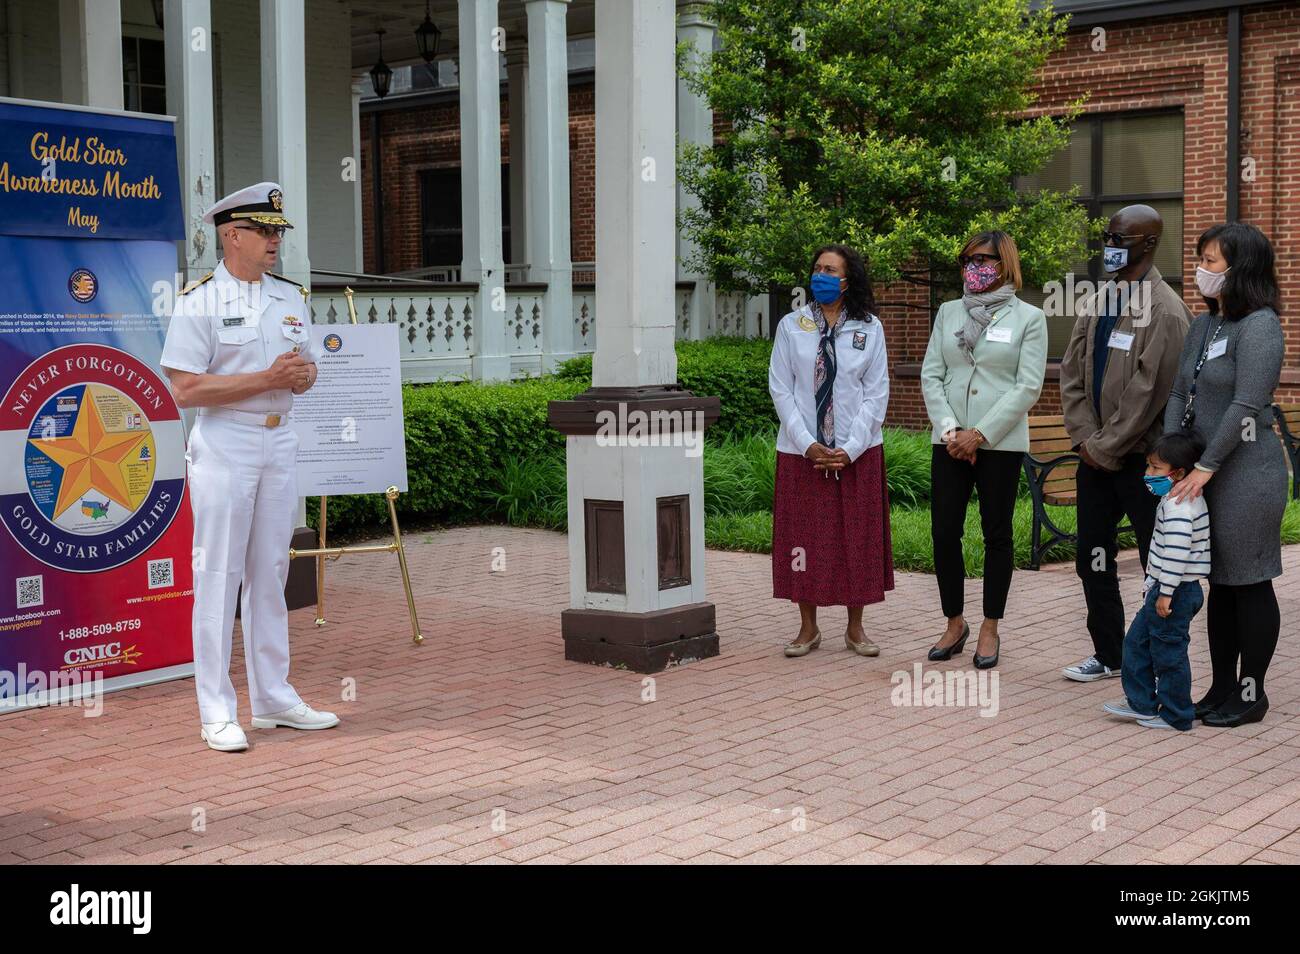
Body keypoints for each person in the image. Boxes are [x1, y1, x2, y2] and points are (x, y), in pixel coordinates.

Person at [161, 182, 340, 752]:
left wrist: (301, 377)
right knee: (218, 575)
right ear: (230, 235)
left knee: (271, 571)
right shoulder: (198, 302)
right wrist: (267, 379)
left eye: (278, 233)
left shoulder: (289, 298)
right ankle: (216, 708)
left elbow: (305, 368)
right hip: (225, 444)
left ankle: (273, 697)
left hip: (279, 441)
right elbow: (185, 389)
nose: (274, 242)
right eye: (263, 232)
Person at [1060, 205, 1192, 683]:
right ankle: (1110, 653)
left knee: (1158, 561)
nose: (1111, 246)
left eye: (1121, 239)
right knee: (1092, 558)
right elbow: (1072, 369)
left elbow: (1149, 392)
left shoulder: (1166, 311)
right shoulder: (1102, 297)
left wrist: (1107, 445)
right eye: (1109, 237)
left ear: (1150, 244)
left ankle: (1159, 660)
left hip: (1143, 463)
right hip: (1093, 457)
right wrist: (1083, 439)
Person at [1164, 223, 1287, 728]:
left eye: (1212, 262)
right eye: (1203, 260)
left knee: (1248, 580)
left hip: (1246, 476)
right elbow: (1177, 393)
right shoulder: (1202, 325)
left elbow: (1246, 403)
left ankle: (1251, 693)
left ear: (1242, 270)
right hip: (1199, 472)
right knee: (1218, 580)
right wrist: (1174, 459)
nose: (1202, 271)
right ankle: (1218, 688)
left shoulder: (1260, 326)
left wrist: (1208, 466)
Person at [921, 230, 1047, 669]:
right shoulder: (948, 311)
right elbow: (931, 375)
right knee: (944, 532)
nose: (974, 266)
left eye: (983, 258)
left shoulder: (1028, 317)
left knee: (997, 534)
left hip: (999, 443)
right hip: (950, 441)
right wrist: (953, 430)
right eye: (967, 258)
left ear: (1003, 262)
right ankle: (955, 622)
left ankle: (991, 626)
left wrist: (982, 433)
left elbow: (1027, 386)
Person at [769, 244, 893, 657]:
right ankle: (808, 628)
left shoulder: (869, 328)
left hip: (857, 453)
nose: (820, 275)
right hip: (801, 451)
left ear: (847, 280)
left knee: (856, 536)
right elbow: (781, 388)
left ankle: (856, 628)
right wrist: (807, 444)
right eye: (816, 268)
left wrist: (851, 448)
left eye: (830, 270)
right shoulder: (792, 326)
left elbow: (876, 395)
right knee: (802, 539)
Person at [1102, 430, 1210, 730]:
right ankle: (1142, 704)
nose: (1147, 473)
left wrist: (1165, 593)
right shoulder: (1174, 499)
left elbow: (1177, 554)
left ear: (1178, 474)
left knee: (1169, 656)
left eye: (1155, 468)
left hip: (1175, 591)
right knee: (1137, 645)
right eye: (1148, 466)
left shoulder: (1180, 507)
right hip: (1165, 589)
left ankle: (1176, 715)